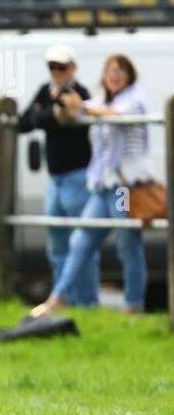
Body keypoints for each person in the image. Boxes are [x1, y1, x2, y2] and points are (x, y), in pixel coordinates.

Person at [32, 54, 151, 318]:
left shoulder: (134, 99)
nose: (115, 74)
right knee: (80, 240)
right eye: (110, 69)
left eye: (121, 70)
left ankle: (134, 305)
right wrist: (60, 103)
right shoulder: (99, 99)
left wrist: (82, 106)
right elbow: (77, 110)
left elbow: (113, 114)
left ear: (130, 75)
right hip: (102, 185)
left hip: (124, 187)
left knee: (127, 243)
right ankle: (58, 298)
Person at [18, 44, 96, 306]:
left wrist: (45, 114)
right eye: (52, 66)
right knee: (57, 245)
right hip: (55, 179)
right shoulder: (45, 90)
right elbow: (24, 122)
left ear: (73, 67)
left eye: (61, 66)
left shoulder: (81, 93)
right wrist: (50, 113)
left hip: (78, 177)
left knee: (82, 243)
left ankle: (86, 301)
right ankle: (66, 299)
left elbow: (64, 115)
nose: (56, 72)